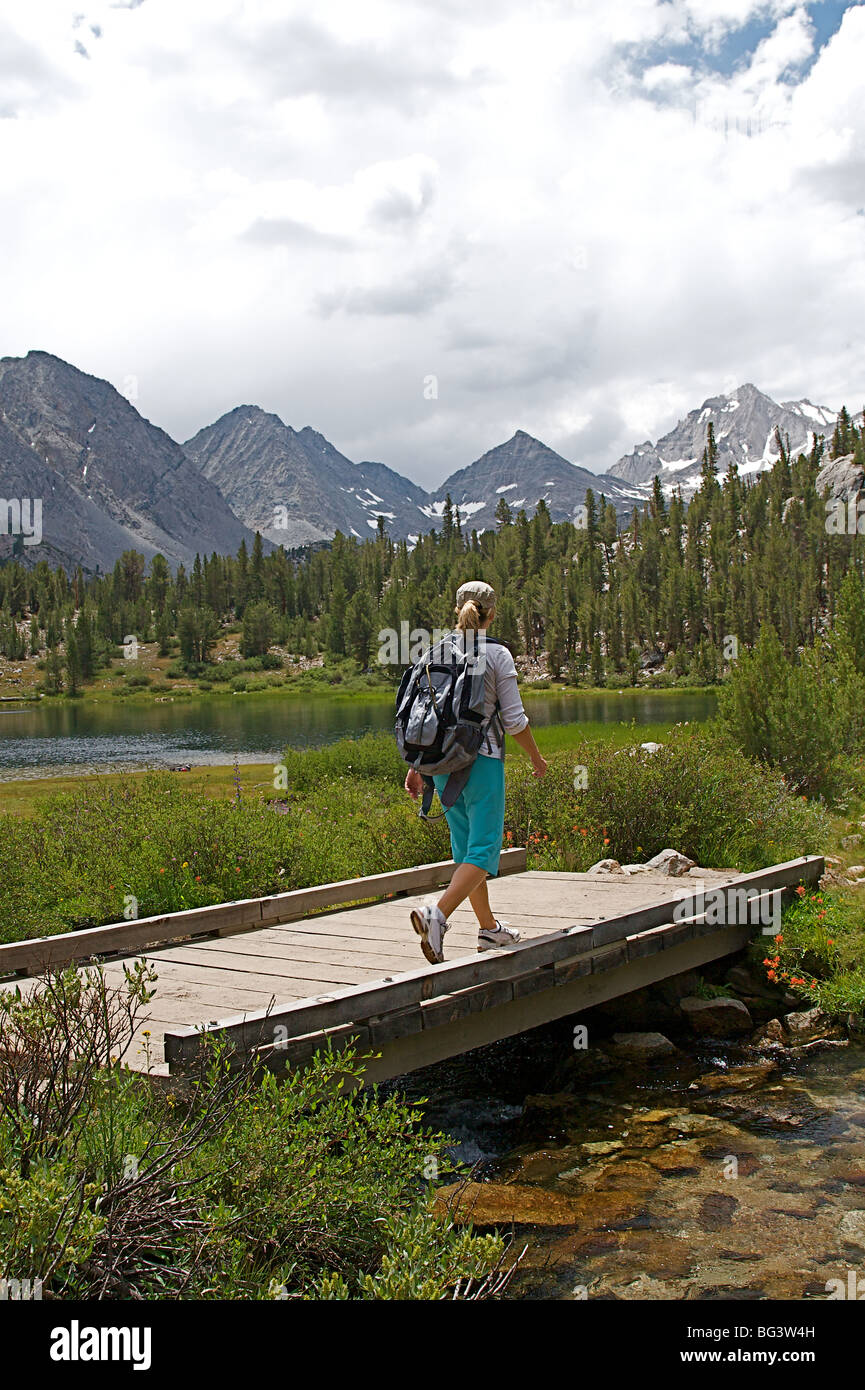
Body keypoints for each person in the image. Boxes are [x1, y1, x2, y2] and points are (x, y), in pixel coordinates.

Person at [404, 579, 547, 964]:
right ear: (493, 613)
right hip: (481, 761)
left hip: (441, 765)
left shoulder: (435, 651)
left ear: (457, 610)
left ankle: (489, 930)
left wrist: (417, 766)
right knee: (484, 852)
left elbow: (420, 715)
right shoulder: (498, 654)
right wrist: (536, 758)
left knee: (467, 850)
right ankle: (437, 916)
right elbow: (515, 720)